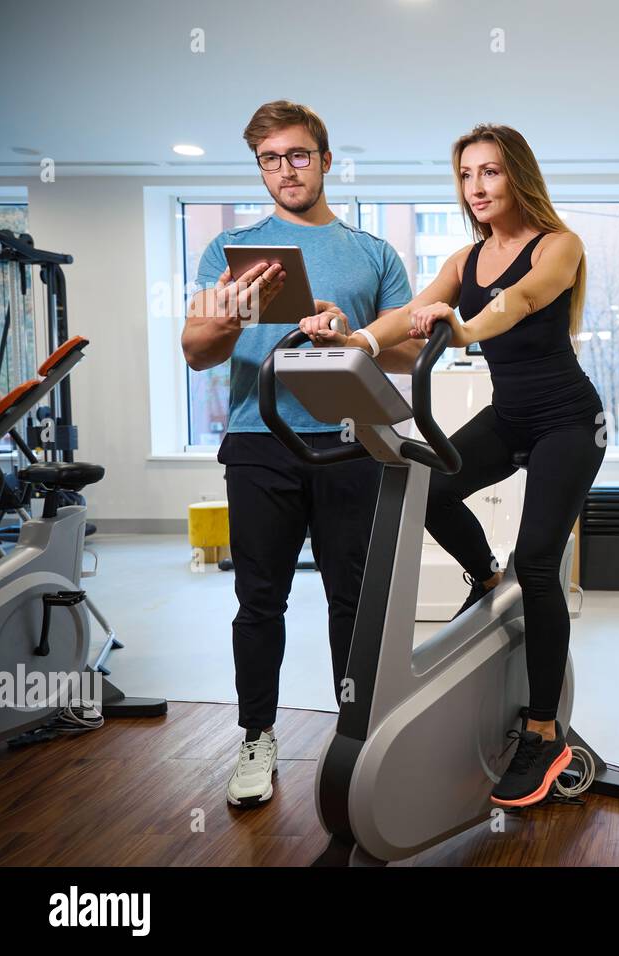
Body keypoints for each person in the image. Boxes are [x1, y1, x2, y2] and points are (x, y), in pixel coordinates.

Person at [300, 124, 603, 808]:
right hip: (511, 417)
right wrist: (352, 340)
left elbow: (521, 301)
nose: (477, 187)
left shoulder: (560, 245)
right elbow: (406, 314)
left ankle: (543, 732)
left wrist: (462, 330)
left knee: (539, 564)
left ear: (516, 176)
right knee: (424, 488)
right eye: (467, 175)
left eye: (490, 172)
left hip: (569, 422)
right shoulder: (465, 259)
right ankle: (484, 572)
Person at [182, 100, 421, 806]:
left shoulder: (372, 253)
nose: (285, 170)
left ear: (324, 158)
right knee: (260, 601)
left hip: (352, 443)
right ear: (259, 167)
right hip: (261, 444)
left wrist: (352, 337)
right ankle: (257, 737)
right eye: (269, 159)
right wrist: (226, 320)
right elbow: (197, 352)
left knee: (351, 599)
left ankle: (360, 737)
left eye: (297, 155)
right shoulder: (233, 250)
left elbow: (405, 351)